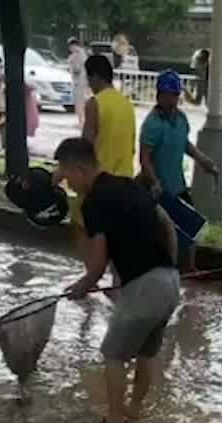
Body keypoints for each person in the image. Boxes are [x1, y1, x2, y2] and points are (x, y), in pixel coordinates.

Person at [52, 137, 180, 423]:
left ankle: (115, 421)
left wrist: (82, 287)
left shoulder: (94, 202)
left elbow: (96, 265)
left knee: (113, 355)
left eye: (67, 175)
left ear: (80, 169)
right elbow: (169, 227)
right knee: (146, 354)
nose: (68, 184)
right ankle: (133, 412)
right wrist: (168, 269)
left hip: (145, 289)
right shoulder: (131, 185)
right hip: (170, 283)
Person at [139, 70, 218, 272]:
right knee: (164, 233)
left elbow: (185, 144)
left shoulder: (181, 119)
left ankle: (190, 268)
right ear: (159, 96)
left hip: (178, 185)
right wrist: (154, 181)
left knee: (191, 226)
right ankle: (165, 270)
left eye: (174, 95)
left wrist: (202, 160)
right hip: (159, 189)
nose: (171, 100)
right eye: (167, 95)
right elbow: (144, 158)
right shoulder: (152, 124)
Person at [72, 54, 137, 272]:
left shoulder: (95, 104)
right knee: (118, 239)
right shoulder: (127, 105)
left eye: (89, 79)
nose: (89, 85)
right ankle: (116, 286)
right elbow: (131, 146)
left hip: (99, 185)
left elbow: (85, 148)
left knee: (79, 224)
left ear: (96, 77)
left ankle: (91, 276)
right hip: (125, 184)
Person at [0, 71, 39, 152]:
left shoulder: (23, 86)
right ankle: (6, 144)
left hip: (13, 111)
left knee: (14, 127)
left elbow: (31, 87)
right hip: (3, 109)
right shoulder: (1, 82)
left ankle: (12, 145)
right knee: (3, 125)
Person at [67, 38, 91, 124]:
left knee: (79, 102)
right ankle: (83, 120)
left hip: (79, 82)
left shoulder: (76, 55)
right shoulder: (84, 54)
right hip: (84, 81)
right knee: (83, 102)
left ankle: (81, 121)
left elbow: (76, 69)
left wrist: (71, 63)